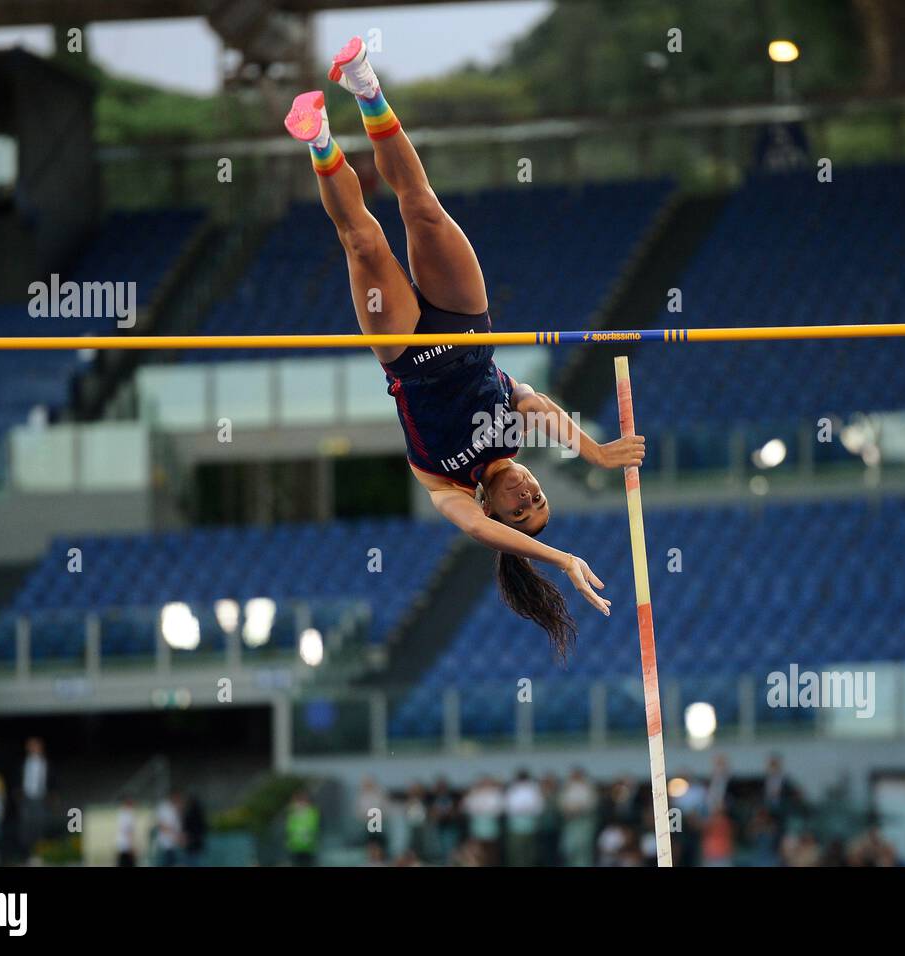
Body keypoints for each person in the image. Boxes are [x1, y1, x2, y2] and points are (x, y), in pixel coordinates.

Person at [283, 36, 646, 657]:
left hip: (404, 352)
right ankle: (364, 84)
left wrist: (559, 558)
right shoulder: (513, 437)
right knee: (421, 206)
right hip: (465, 324)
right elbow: (537, 408)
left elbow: (483, 532)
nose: (530, 496)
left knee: (364, 242)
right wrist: (596, 455)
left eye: (521, 511)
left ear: (497, 516)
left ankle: (317, 136)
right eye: (540, 499)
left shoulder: (450, 492)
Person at [19, 737, 48, 861]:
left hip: (40, 798)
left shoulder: (45, 763)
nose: (33, 748)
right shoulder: (24, 762)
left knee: (39, 825)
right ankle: (27, 855)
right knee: (26, 826)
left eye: (35, 745)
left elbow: (51, 780)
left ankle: (39, 853)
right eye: (30, 746)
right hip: (26, 797)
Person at [285, 789, 321, 866]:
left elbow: (313, 827)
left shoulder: (312, 813)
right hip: (294, 847)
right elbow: (289, 829)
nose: (296, 804)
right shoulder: (292, 813)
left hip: (308, 848)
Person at [116, 797, 138, 867]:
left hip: (122, 846)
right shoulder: (128, 815)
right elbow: (129, 832)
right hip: (127, 847)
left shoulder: (121, 814)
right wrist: (132, 847)